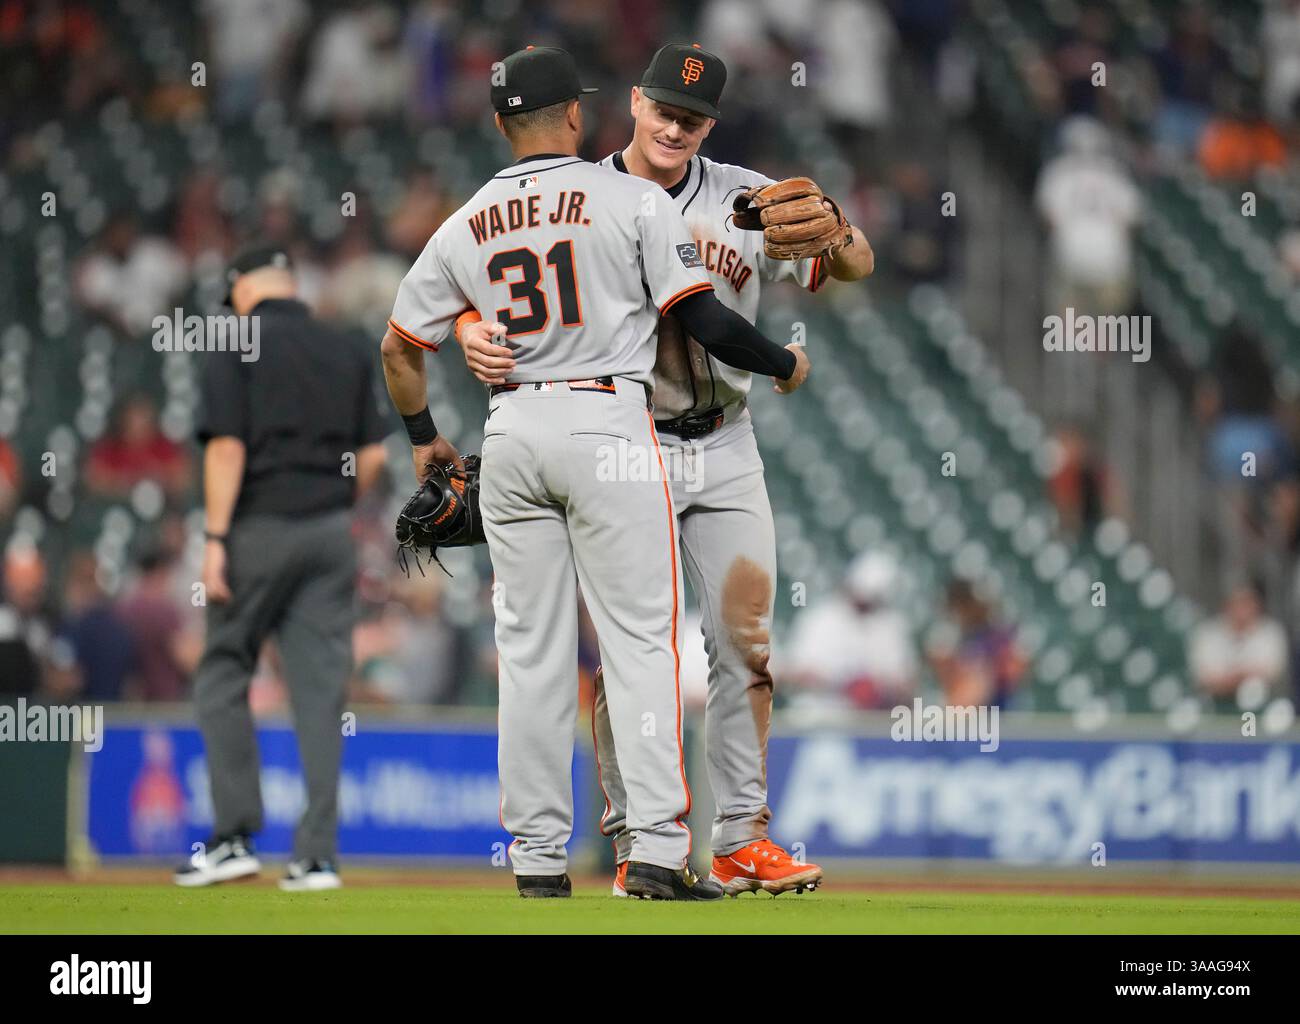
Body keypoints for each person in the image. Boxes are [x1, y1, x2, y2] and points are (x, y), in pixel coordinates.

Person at [380, 45, 809, 901]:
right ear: (576, 116)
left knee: (531, 653)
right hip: (610, 422)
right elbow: (709, 325)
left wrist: (426, 440)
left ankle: (538, 859)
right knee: (640, 643)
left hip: (511, 432)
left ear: (502, 123)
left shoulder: (464, 221)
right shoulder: (632, 200)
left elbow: (397, 348)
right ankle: (654, 850)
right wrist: (784, 365)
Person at [176, 245, 390, 892]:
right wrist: (327, 509)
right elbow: (374, 458)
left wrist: (214, 540)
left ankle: (235, 837)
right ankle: (317, 858)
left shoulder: (232, 342)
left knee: (223, 671)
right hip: (330, 534)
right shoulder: (347, 344)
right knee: (321, 693)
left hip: (257, 529)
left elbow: (227, 449)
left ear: (241, 287)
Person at [784, 551, 919, 711]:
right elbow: (792, 674)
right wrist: (844, 685)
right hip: (820, 716)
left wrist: (878, 688)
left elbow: (907, 683)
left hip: (873, 720)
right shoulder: (820, 619)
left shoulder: (890, 625)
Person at [1189, 580, 1289, 713]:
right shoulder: (1207, 633)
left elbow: (1271, 673)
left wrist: (1231, 679)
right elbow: (1205, 678)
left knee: (1256, 707)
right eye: (1237, 603)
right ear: (1226, 606)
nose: (1242, 610)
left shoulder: (1271, 631)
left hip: (1260, 710)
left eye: (1247, 604)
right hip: (1216, 706)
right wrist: (1240, 677)